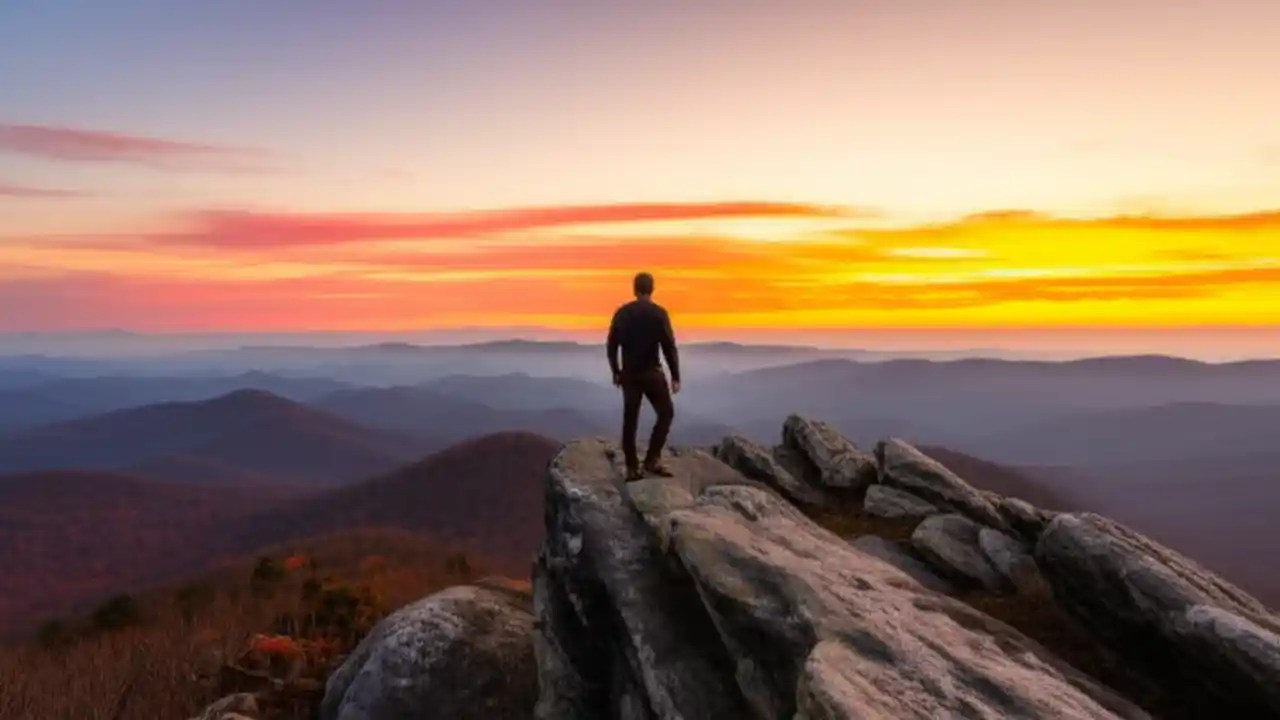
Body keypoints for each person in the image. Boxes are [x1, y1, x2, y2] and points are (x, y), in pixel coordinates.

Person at [607, 271, 680, 482]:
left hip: (629, 375)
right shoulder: (659, 313)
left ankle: (632, 467)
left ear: (634, 289)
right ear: (652, 289)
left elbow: (612, 344)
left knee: (630, 420)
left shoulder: (623, 313)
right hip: (652, 373)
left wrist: (616, 371)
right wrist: (675, 375)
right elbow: (668, 345)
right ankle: (652, 458)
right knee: (666, 413)